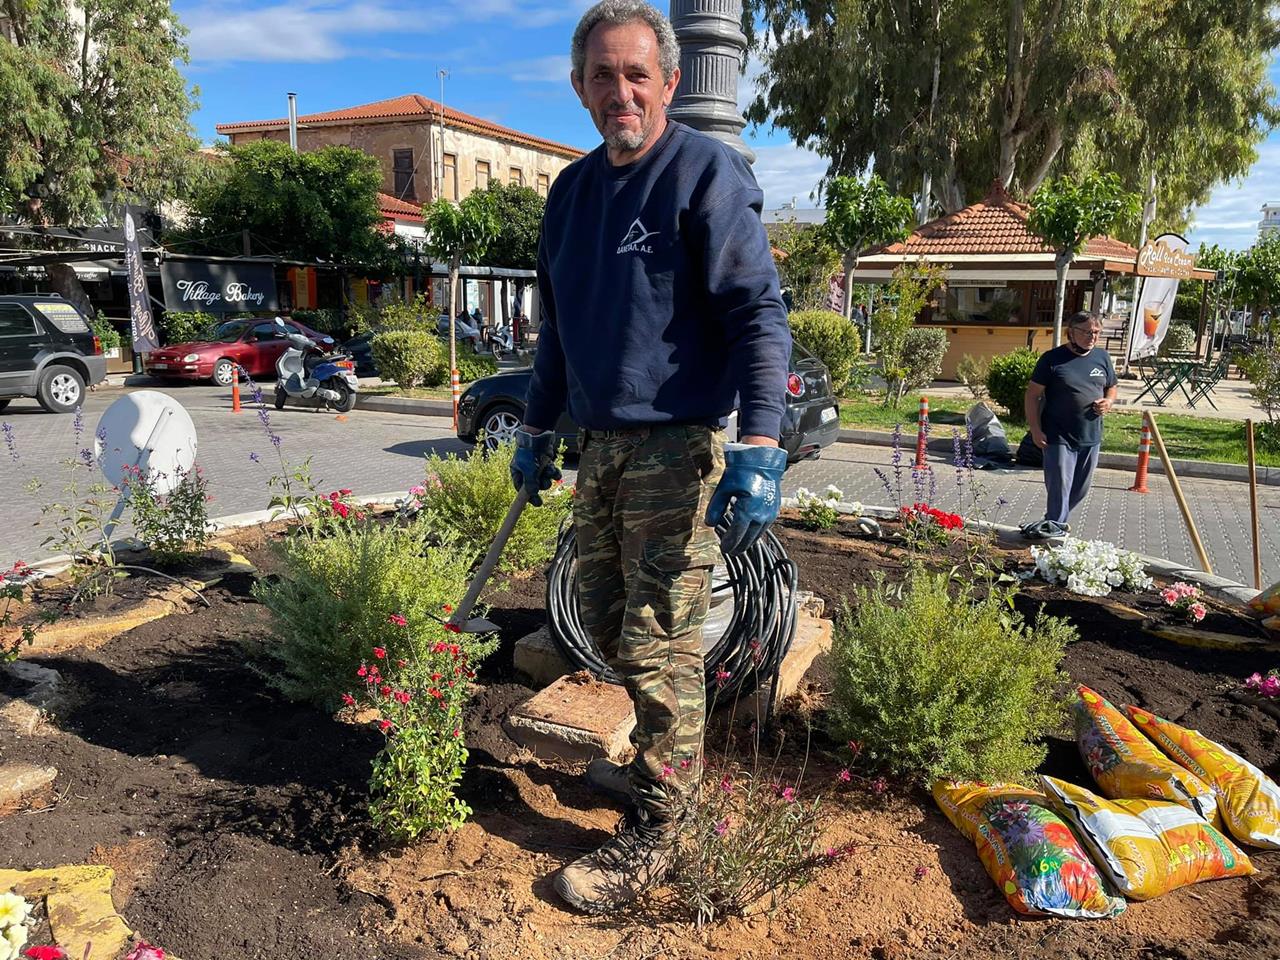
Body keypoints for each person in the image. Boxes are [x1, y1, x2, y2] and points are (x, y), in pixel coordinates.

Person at [508, 0, 791, 916]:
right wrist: (538, 426)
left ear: (670, 81)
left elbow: (757, 315)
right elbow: (558, 330)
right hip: (598, 449)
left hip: (680, 446)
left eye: (638, 73)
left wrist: (759, 444)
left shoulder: (707, 175)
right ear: (580, 85)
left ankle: (665, 832)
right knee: (599, 612)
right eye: (603, 74)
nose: (620, 90)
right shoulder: (572, 194)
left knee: (657, 636)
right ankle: (662, 779)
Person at [1023, 311, 1118, 538]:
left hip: (1090, 433)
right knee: (1060, 487)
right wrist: (1035, 429)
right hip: (1057, 435)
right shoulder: (1052, 359)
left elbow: (1111, 386)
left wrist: (1109, 402)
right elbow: (1032, 395)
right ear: (1070, 333)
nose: (1092, 337)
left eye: (1096, 332)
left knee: (1080, 489)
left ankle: (1052, 524)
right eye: (1086, 332)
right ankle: (1054, 532)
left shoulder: (1102, 358)